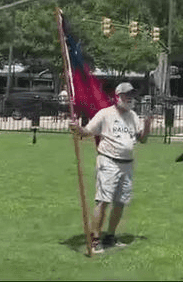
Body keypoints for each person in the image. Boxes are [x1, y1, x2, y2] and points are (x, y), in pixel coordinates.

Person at [70, 82, 149, 253]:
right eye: (126, 95)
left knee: (120, 202)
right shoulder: (105, 114)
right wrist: (77, 129)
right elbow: (87, 132)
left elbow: (142, 139)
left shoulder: (133, 116)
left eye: (132, 95)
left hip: (127, 164)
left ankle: (110, 236)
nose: (130, 98)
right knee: (103, 200)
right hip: (108, 162)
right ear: (117, 96)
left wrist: (148, 123)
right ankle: (95, 239)